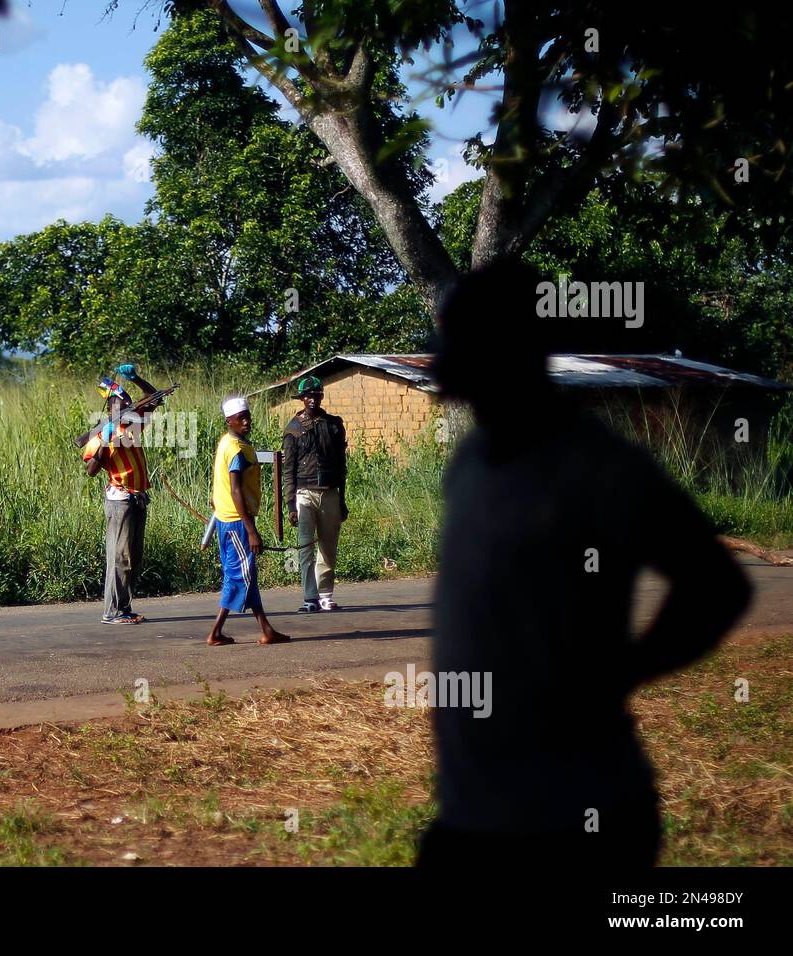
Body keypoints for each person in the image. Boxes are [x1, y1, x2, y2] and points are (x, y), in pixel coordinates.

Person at [418, 259, 751, 867]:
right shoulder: (469, 462)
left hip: (573, 818)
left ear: (516, 351)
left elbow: (716, 585)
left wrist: (620, 673)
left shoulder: (598, 468)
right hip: (473, 810)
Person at [206, 396, 291, 647]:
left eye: (247, 416)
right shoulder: (236, 449)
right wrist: (251, 530)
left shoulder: (229, 442)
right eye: (240, 418)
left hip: (229, 519)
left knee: (246, 574)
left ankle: (267, 630)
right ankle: (215, 632)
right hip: (236, 522)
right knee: (237, 575)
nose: (246, 421)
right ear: (228, 421)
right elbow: (235, 490)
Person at [83, 372, 152, 625]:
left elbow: (153, 398)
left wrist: (136, 378)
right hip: (119, 500)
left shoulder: (133, 424)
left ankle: (124, 607)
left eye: (128, 401)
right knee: (119, 557)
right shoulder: (101, 434)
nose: (128, 404)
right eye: (123, 402)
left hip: (138, 498)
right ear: (112, 407)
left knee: (133, 557)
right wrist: (105, 439)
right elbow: (90, 470)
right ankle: (111, 612)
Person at [282, 375, 348, 612]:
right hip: (304, 494)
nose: (312, 399)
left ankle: (325, 595)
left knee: (328, 546)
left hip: (330, 493)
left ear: (321, 396)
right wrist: (290, 505)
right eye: (307, 395)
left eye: (316, 395)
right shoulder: (293, 429)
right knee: (305, 547)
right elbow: (288, 470)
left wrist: (342, 500)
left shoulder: (333, 425)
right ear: (301, 399)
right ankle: (310, 597)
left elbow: (341, 466)